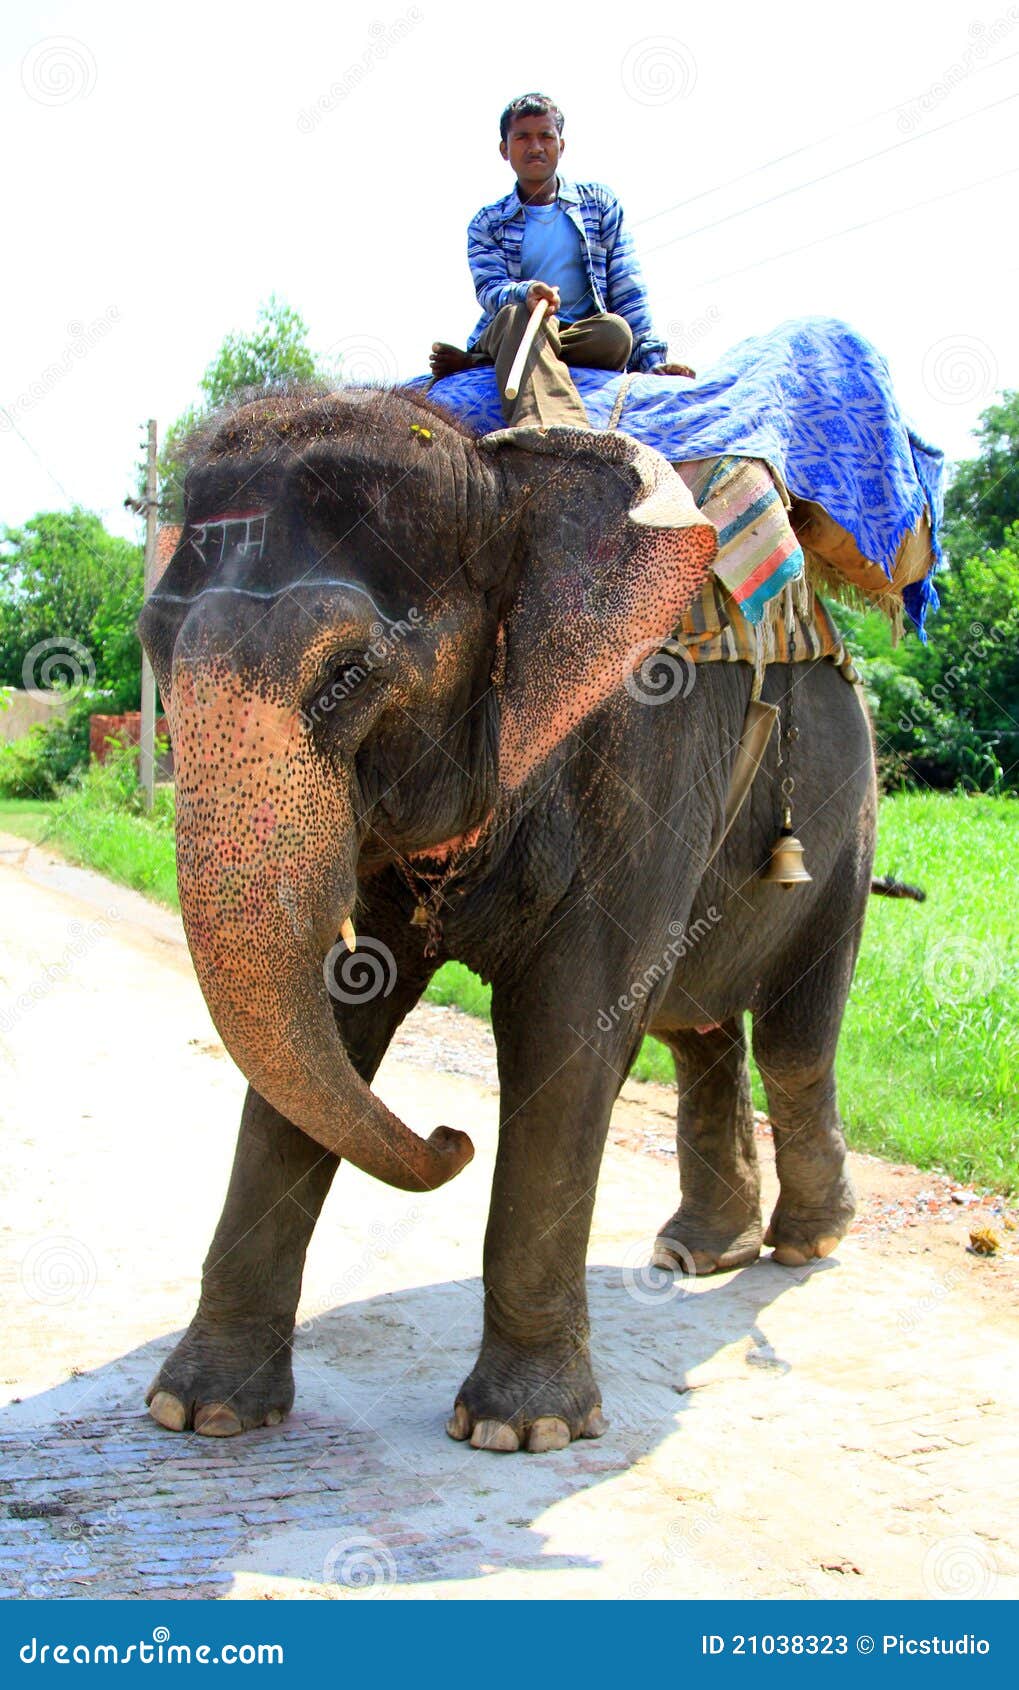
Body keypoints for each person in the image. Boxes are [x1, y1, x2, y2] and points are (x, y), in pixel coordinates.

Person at [429, 92, 693, 428]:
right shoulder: (488, 222)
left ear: (561, 146)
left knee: (616, 332)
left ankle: (482, 361)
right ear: (504, 150)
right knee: (519, 316)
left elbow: (629, 291)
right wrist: (525, 294)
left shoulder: (598, 204)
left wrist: (653, 365)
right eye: (522, 137)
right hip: (514, 325)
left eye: (545, 136)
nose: (535, 146)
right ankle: (552, 427)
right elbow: (490, 289)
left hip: (579, 336)